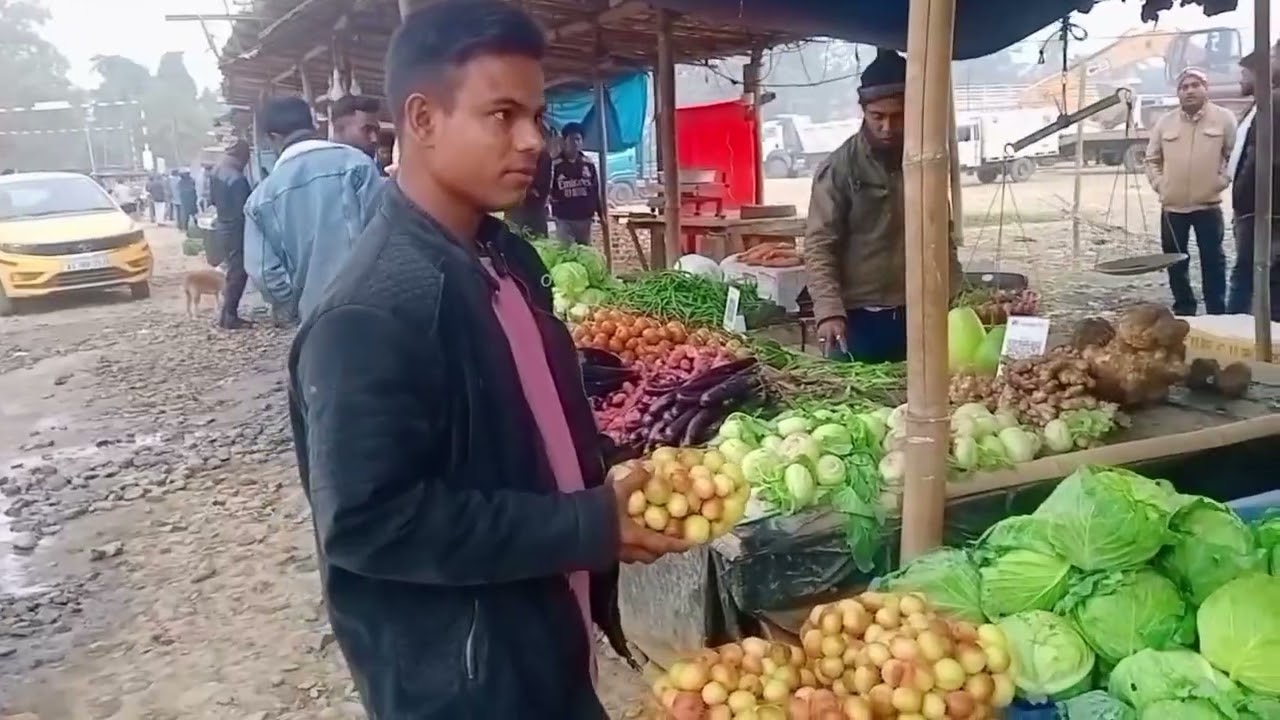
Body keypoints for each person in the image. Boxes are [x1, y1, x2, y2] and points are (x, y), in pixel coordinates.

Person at [287, 2, 688, 716]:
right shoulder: (372, 311)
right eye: (502, 115)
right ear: (423, 120)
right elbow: (370, 522)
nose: (532, 139)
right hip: (465, 684)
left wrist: (612, 466)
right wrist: (588, 526)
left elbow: (521, 428)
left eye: (535, 114)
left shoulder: (505, 259)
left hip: (541, 638)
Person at [805, 49, 961, 363]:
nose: (888, 127)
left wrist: (956, 296)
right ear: (864, 111)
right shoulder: (839, 168)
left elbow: (942, 234)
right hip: (857, 319)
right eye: (878, 117)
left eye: (898, 116)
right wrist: (829, 312)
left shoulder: (927, 163)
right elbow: (819, 245)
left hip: (921, 313)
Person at [244, 96, 384, 324]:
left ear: (272, 138)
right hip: (372, 309)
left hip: (315, 320)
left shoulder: (260, 200)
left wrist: (296, 307)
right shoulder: (358, 165)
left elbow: (265, 274)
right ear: (315, 125)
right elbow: (386, 235)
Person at [1143, 67, 1237, 317]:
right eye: (1184, 87)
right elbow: (1151, 159)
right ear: (1178, 94)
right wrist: (1160, 185)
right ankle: (1184, 309)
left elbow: (1233, 156)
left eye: (1195, 85)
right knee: (1175, 263)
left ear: (1206, 88)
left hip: (1208, 206)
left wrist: (1221, 181)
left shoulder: (1224, 119)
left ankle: (1217, 311)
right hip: (1173, 208)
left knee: (1213, 261)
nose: (1189, 91)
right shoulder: (1165, 122)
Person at [1226, 44, 1280, 317]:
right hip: (1249, 208)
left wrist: (1245, 202)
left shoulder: (1273, 105)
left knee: (1252, 275)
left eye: (1244, 73)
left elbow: (1263, 160)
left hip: (1259, 209)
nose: (1240, 79)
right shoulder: (1256, 107)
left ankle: (1245, 331)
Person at [209, 141, 255, 329]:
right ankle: (230, 316)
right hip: (235, 228)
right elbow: (244, 209)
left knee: (232, 271)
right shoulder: (237, 178)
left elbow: (212, 199)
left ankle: (226, 314)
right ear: (243, 157)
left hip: (222, 224)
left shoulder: (217, 171)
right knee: (238, 272)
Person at [549, 121, 603, 246]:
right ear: (564, 141)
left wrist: (601, 214)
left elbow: (596, 190)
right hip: (564, 218)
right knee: (566, 252)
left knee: (584, 252)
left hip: (585, 218)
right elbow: (548, 190)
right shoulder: (555, 165)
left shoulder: (588, 164)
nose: (576, 143)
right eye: (572, 139)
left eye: (578, 139)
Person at [506, 125, 556, 237]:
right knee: (516, 238)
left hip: (537, 207)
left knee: (539, 241)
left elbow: (546, 183)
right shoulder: (513, 153)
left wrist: (542, 196)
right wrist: (527, 190)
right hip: (517, 205)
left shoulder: (545, 157)